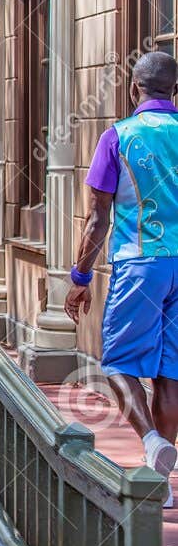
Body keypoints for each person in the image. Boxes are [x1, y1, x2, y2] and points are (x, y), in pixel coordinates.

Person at [64, 49, 178, 506]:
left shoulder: (118, 137)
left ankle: (151, 444)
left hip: (140, 263)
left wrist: (80, 274)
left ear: (135, 89)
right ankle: (162, 481)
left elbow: (97, 218)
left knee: (118, 363)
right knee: (170, 373)